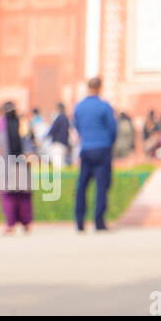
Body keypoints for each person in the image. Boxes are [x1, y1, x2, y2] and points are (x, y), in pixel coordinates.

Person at [73, 77, 117, 233]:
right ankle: (99, 221)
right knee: (101, 186)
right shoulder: (104, 106)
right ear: (100, 87)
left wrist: (87, 138)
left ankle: (79, 221)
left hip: (86, 148)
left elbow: (77, 126)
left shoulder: (79, 106)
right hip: (102, 148)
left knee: (82, 186)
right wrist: (108, 142)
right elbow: (112, 128)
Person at [0, 103, 33, 235]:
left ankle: (10, 225)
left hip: (6, 164)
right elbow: (28, 145)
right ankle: (26, 224)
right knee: (23, 195)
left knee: (8, 196)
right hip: (21, 163)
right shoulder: (22, 123)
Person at [47, 103, 71, 167]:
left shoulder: (59, 118)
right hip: (63, 142)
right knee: (60, 161)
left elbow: (53, 130)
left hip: (58, 142)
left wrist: (46, 136)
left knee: (57, 163)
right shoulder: (66, 118)